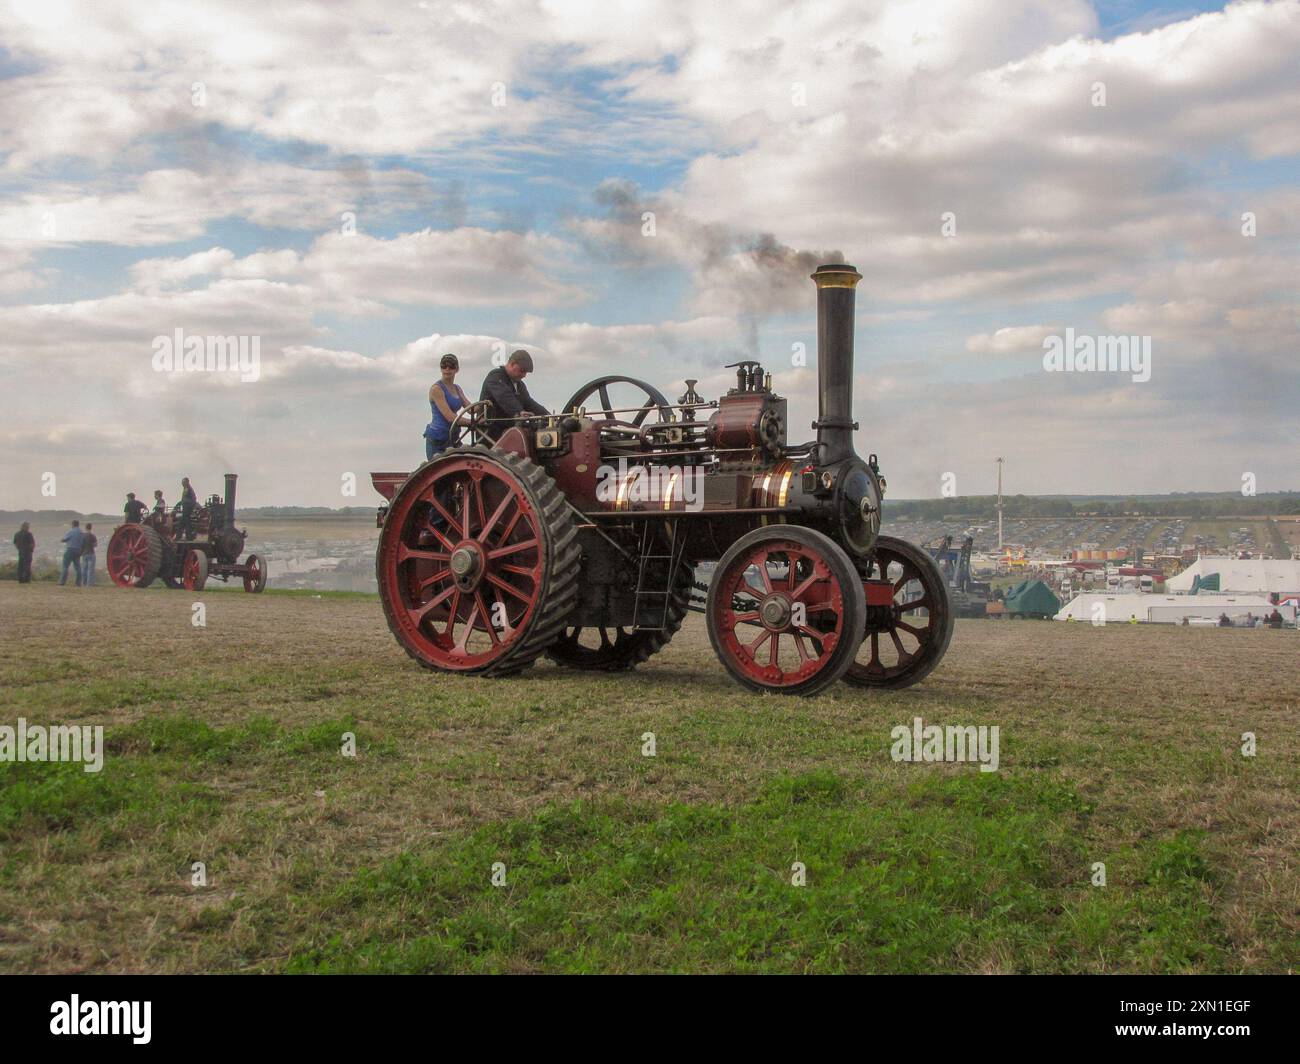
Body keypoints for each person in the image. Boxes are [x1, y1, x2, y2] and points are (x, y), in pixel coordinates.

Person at [479, 349, 548, 439]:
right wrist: (518, 412)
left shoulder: (519, 385)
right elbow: (504, 396)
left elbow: (529, 403)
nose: (524, 375)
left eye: (525, 372)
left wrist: (547, 415)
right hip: (491, 433)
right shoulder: (495, 377)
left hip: (509, 430)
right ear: (512, 364)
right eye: (522, 371)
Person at [424, 354, 469, 461]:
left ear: (457, 369)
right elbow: (450, 417)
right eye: (444, 366)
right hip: (438, 440)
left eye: (451, 366)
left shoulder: (457, 388)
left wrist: (487, 404)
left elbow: (471, 408)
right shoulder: (436, 389)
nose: (447, 369)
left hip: (453, 438)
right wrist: (473, 422)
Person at [59, 520, 85, 586]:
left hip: (70, 549)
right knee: (78, 567)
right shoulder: (81, 533)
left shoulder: (71, 531)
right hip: (78, 550)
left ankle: (62, 582)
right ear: (78, 525)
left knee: (65, 566)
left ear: (73, 525)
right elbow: (83, 543)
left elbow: (63, 539)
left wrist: (62, 539)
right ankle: (78, 583)